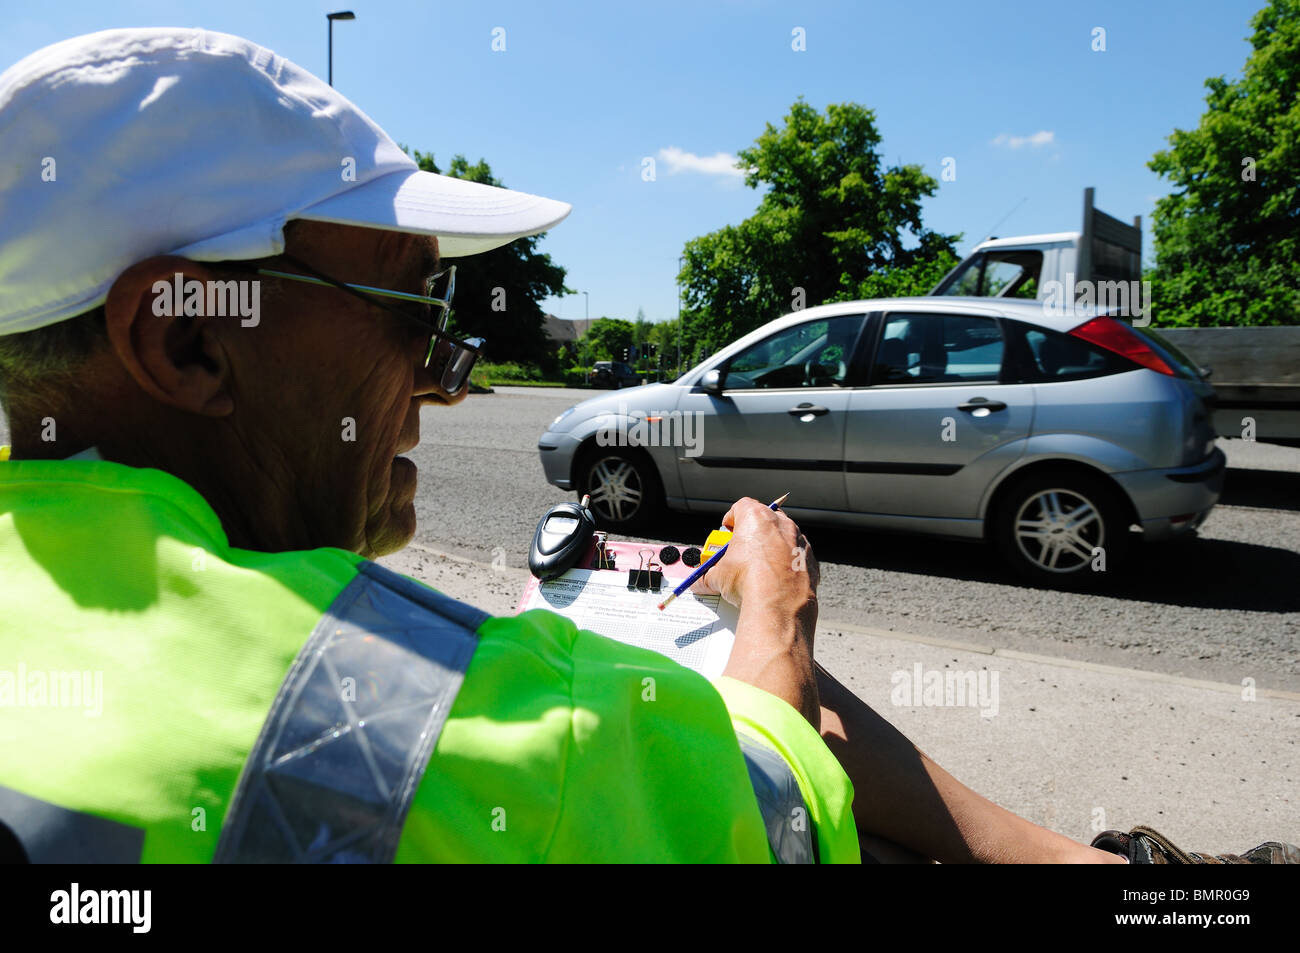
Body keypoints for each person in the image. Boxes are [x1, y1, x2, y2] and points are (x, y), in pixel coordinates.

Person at [0, 28, 1290, 865]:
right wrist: (772, 605)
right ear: (186, 343)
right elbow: (772, 806)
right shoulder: (431, 721)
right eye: (410, 312)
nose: (443, 383)